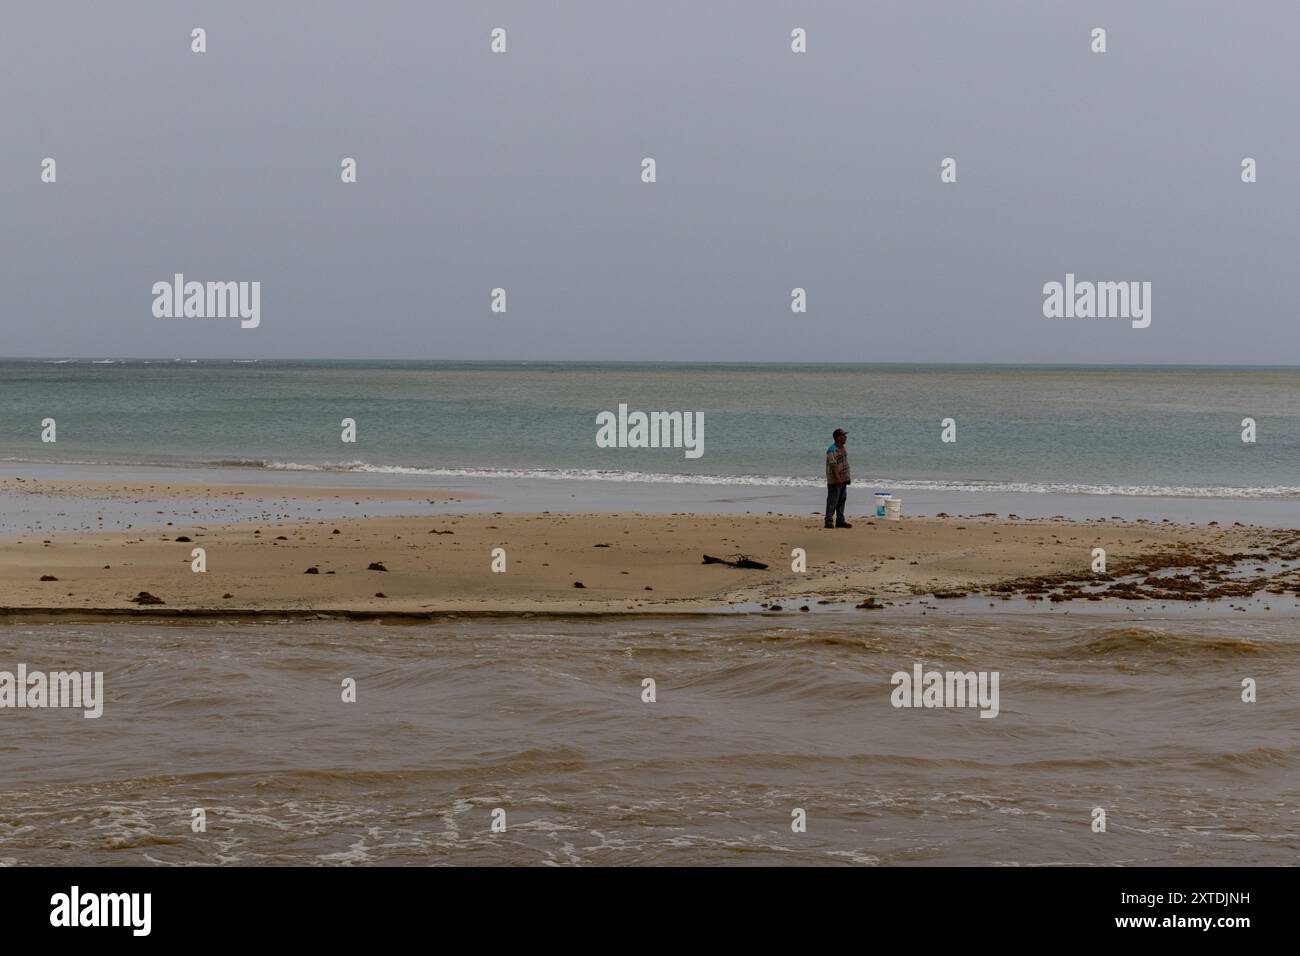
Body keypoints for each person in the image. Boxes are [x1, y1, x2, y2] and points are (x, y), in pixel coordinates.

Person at [825, 427, 851, 528]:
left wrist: (847, 478)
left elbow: (844, 464)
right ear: (837, 437)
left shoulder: (842, 448)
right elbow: (833, 465)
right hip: (835, 480)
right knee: (833, 500)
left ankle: (840, 520)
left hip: (843, 479)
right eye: (843, 435)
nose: (845, 437)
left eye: (845, 435)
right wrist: (838, 479)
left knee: (842, 499)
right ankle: (828, 521)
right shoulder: (832, 450)